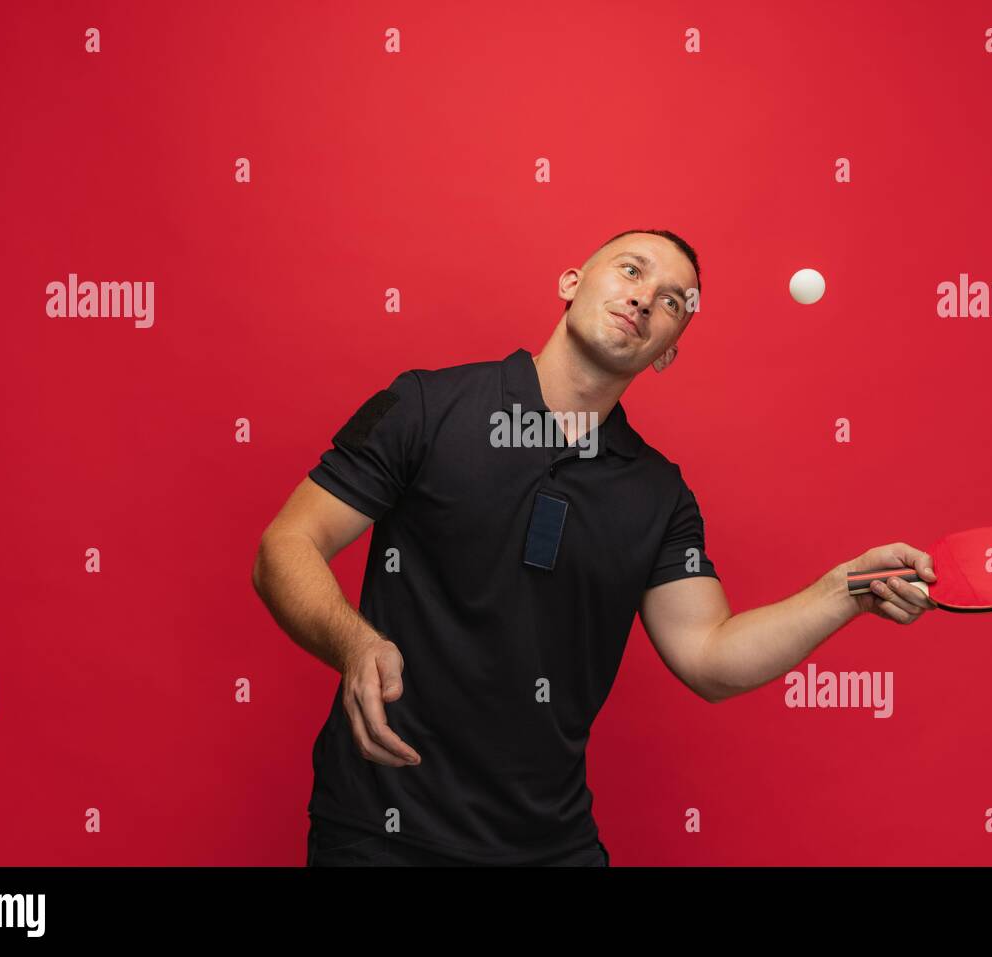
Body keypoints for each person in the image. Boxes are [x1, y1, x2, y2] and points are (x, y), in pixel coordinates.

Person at [252, 229, 937, 867]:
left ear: (667, 351)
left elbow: (710, 655)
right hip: (381, 832)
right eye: (631, 270)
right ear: (572, 282)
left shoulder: (659, 495)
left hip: (550, 844)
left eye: (673, 301)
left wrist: (840, 590)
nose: (644, 296)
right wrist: (355, 644)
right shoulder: (427, 406)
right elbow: (287, 543)